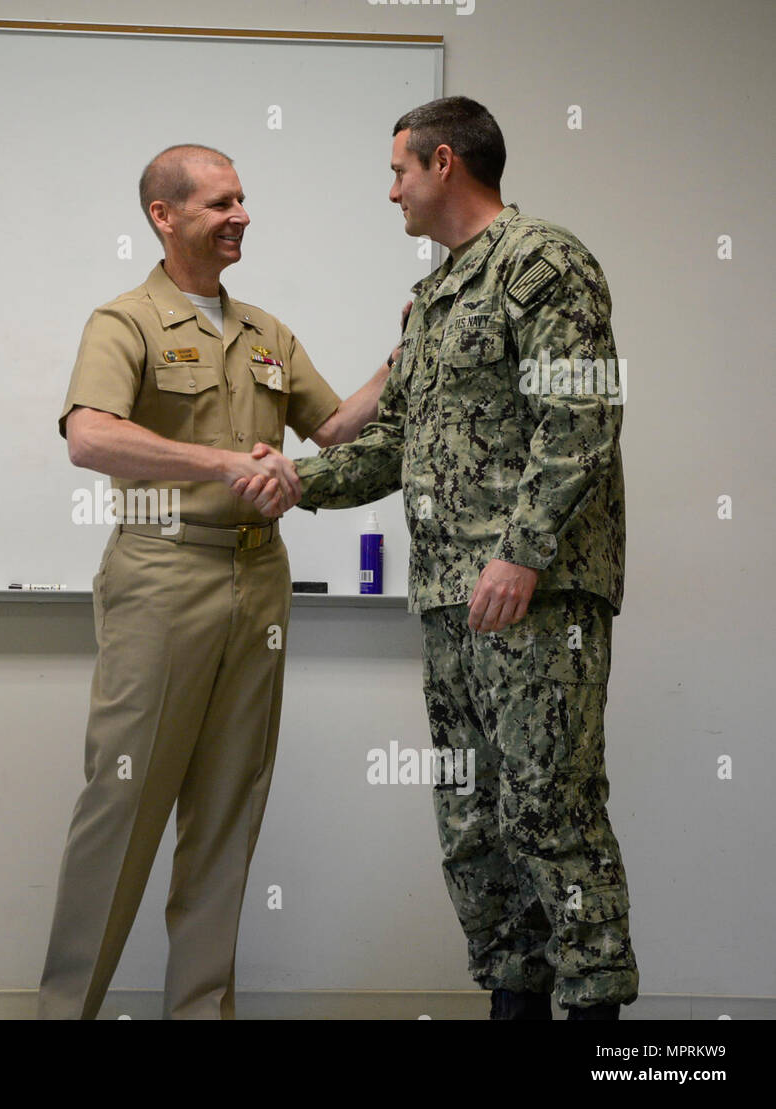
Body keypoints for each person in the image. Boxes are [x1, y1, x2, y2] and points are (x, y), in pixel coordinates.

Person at [240, 97, 637, 1019]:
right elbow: (394, 446)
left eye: (398, 173)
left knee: (550, 809)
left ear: (445, 162)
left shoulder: (545, 262)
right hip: (452, 599)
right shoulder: (434, 300)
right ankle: (514, 999)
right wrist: (297, 479)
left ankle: (597, 1016)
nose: (392, 193)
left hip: (535, 597)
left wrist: (523, 554)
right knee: (473, 822)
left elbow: (583, 416)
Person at [38, 144, 399, 1019]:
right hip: (163, 571)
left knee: (229, 811)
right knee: (121, 804)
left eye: (243, 199)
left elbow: (337, 430)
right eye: (219, 202)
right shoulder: (123, 321)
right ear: (164, 215)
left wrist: (408, 353)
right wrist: (224, 462)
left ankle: (200, 1010)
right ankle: (64, 1011)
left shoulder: (267, 331)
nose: (241, 215)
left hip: (258, 580)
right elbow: (89, 436)